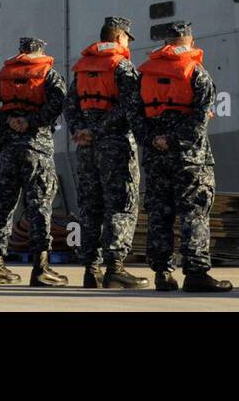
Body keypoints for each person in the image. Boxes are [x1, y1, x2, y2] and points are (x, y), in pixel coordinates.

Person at [135, 21, 232, 292]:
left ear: (166, 42)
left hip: (155, 158)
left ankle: (163, 274)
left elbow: (135, 116)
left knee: (159, 214)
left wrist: (153, 140)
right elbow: (200, 120)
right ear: (191, 41)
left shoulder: (145, 74)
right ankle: (196, 273)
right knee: (194, 213)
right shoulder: (197, 72)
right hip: (190, 158)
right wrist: (175, 140)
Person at [0, 36, 69, 287]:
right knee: (39, 206)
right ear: (39, 51)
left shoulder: (3, 76)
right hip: (36, 149)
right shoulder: (48, 74)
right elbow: (60, 102)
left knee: (3, 206)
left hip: (8, 150)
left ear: (20, 52)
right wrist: (32, 121)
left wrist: (5, 120)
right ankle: (41, 269)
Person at [64, 16, 148, 289]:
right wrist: (100, 130)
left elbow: (70, 107)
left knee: (91, 206)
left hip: (86, 149)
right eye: (127, 38)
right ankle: (116, 269)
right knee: (121, 205)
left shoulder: (81, 69)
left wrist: (82, 130)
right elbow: (130, 107)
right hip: (115, 147)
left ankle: (91, 269)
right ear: (120, 38)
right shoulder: (122, 68)